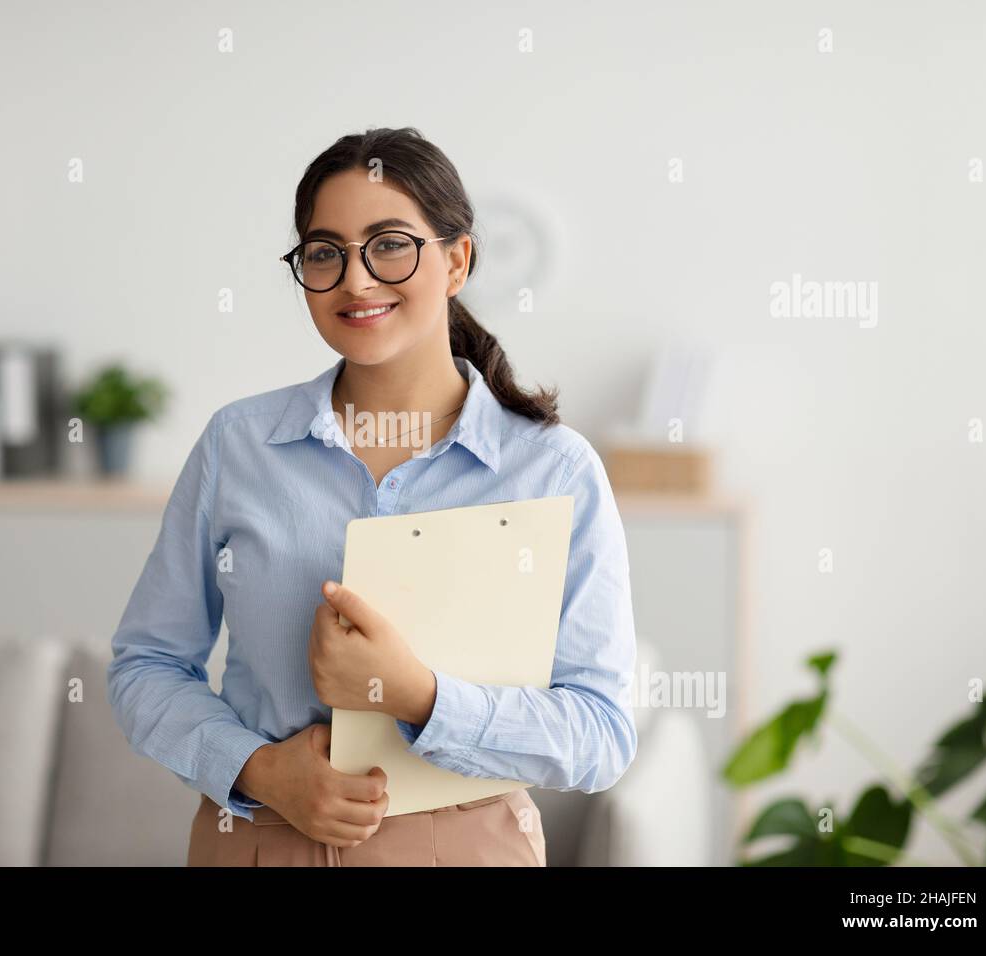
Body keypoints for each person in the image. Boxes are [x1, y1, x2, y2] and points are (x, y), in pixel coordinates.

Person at [106, 127, 637, 866]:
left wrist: (420, 695)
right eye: (325, 253)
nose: (355, 279)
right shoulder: (238, 446)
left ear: (457, 261)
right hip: (260, 842)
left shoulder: (552, 469)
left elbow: (602, 734)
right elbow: (147, 664)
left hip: (468, 847)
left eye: (390, 244)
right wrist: (258, 771)